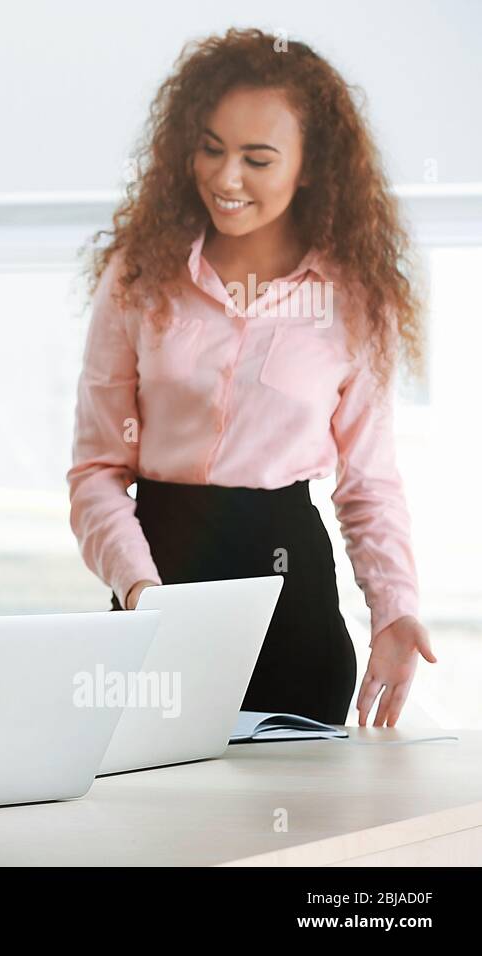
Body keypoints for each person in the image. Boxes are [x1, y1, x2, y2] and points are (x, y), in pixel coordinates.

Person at [67, 29, 434, 728]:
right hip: (153, 583)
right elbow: (95, 470)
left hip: (289, 600)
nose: (225, 178)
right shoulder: (137, 276)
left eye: (257, 159)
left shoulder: (356, 297)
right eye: (211, 148)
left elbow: (369, 483)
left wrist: (394, 610)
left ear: (310, 167)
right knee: (149, 827)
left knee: (294, 828)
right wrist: (142, 590)